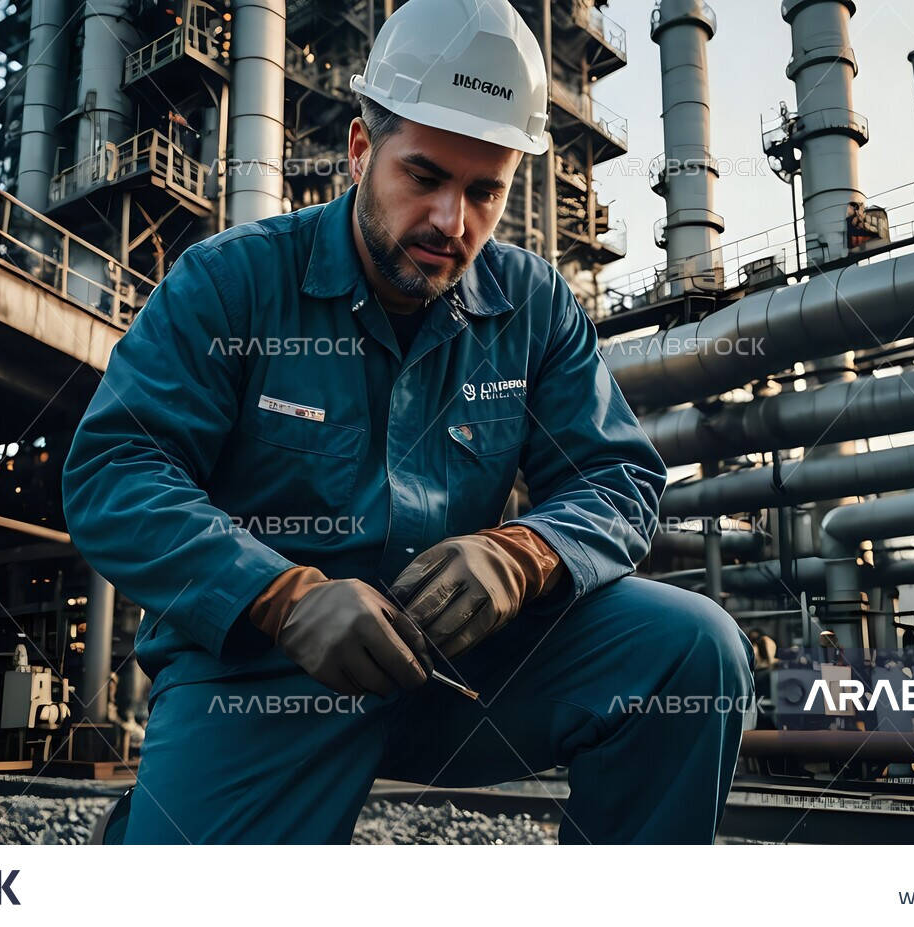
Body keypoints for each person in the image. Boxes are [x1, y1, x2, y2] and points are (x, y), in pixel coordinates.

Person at [62, 0, 754, 844]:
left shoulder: (533, 307)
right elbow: (117, 470)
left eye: (484, 191)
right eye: (423, 177)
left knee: (693, 650)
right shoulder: (231, 283)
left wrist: (526, 555)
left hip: (458, 665)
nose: (451, 223)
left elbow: (621, 477)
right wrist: (277, 596)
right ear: (361, 149)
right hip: (265, 674)